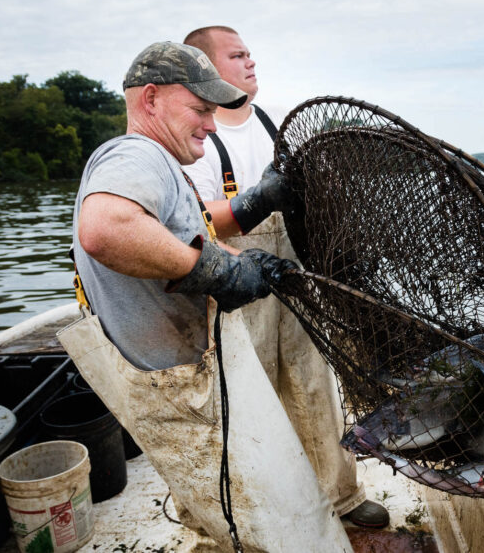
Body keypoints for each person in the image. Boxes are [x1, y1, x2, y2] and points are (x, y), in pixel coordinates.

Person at [58, 41, 354, 552]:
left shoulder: (160, 165)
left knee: (229, 514)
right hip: (176, 389)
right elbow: (104, 229)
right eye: (199, 109)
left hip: (180, 381)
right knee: (256, 521)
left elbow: (182, 229)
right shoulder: (134, 154)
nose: (212, 124)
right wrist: (212, 269)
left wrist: (254, 207)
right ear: (150, 100)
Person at [182, 26, 389, 529]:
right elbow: (195, 222)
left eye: (251, 53)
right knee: (246, 396)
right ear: (206, 69)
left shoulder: (276, 126)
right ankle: (248, 513)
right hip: (235, 279)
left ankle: (341, 496)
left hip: (294, 277)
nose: (251, 62)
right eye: (237, 55)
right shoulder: (200, 138)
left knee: (313, 385)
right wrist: (258, 201)